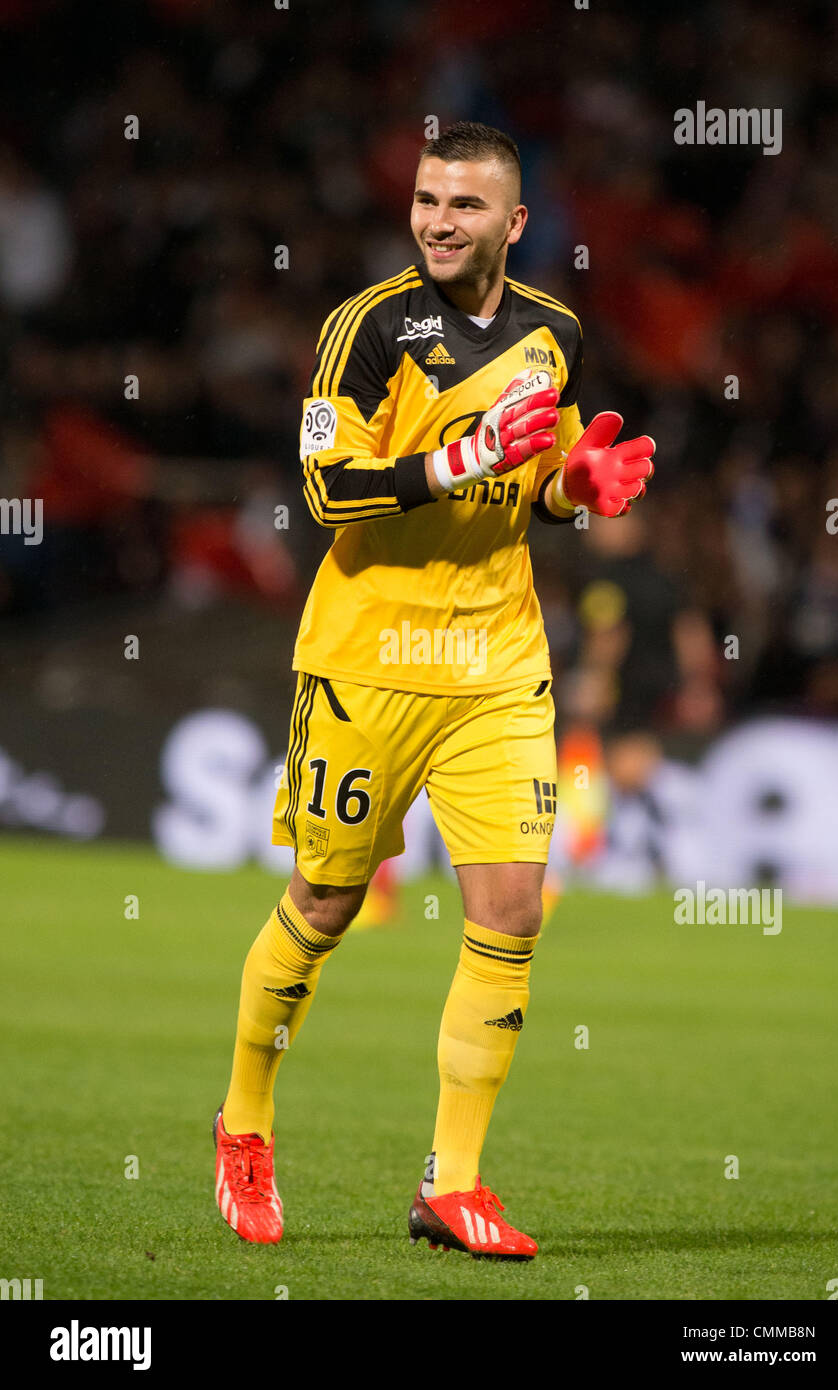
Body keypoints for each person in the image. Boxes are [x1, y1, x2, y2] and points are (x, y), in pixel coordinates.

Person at [213, 122, 655, 1260]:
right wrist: (456, 460)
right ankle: (245, 1122)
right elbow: (325, 486)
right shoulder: (364, 328)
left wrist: (574, 487)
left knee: (508, 912)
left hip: (498, 665)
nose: (437, 221)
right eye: (423, 200)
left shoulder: (552, 331)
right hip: (367, 660)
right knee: (320, 904)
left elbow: (535, 476)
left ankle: (450, 1181)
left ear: (514, 223)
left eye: (462, 205)